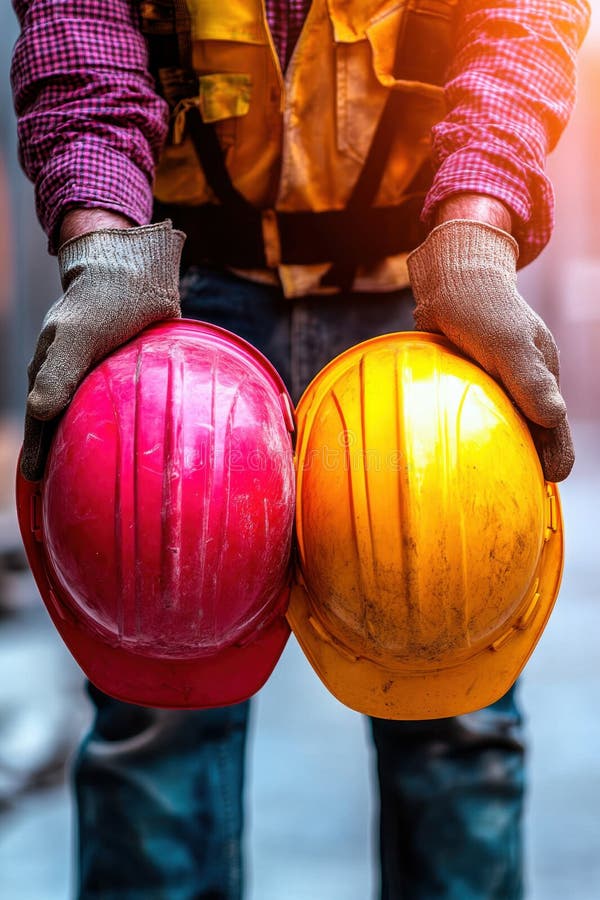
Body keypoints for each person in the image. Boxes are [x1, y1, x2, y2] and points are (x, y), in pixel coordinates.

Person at [10, 1, 589, 897]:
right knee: (160, 695)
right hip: (171, 279)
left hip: (422, 284)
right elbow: (81, 13)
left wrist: (480, 224)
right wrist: (103, 243)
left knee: (450, 687)